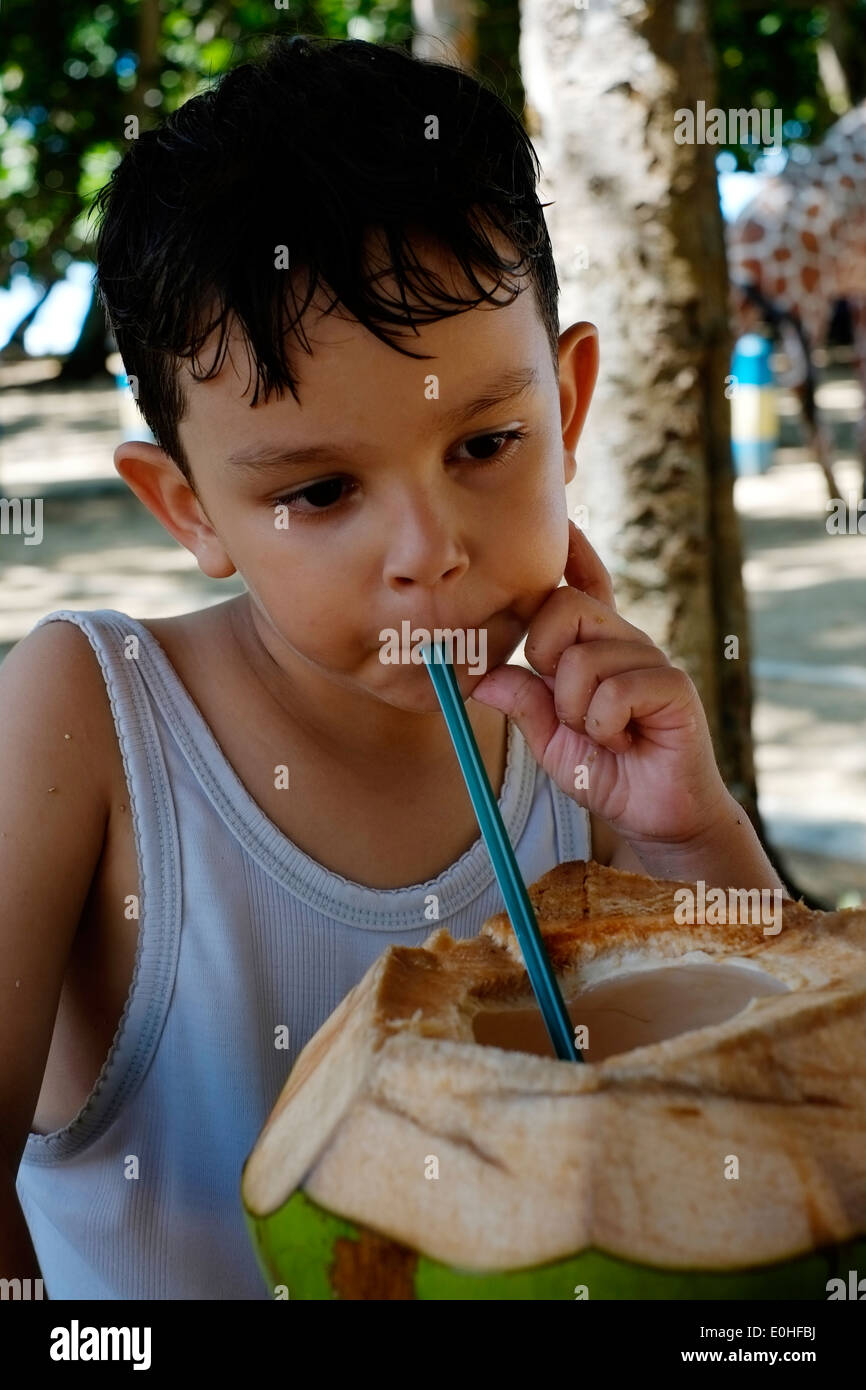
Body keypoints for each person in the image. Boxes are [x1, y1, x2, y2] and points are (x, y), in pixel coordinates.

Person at [0, 34, 786, 1299]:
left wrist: (688, 836)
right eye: (319, 489)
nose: (430, 554)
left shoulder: (583, 748)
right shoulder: (88, 717)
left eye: (486, 443)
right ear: (188, 507)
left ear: (568, 407)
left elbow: (769, 1104)